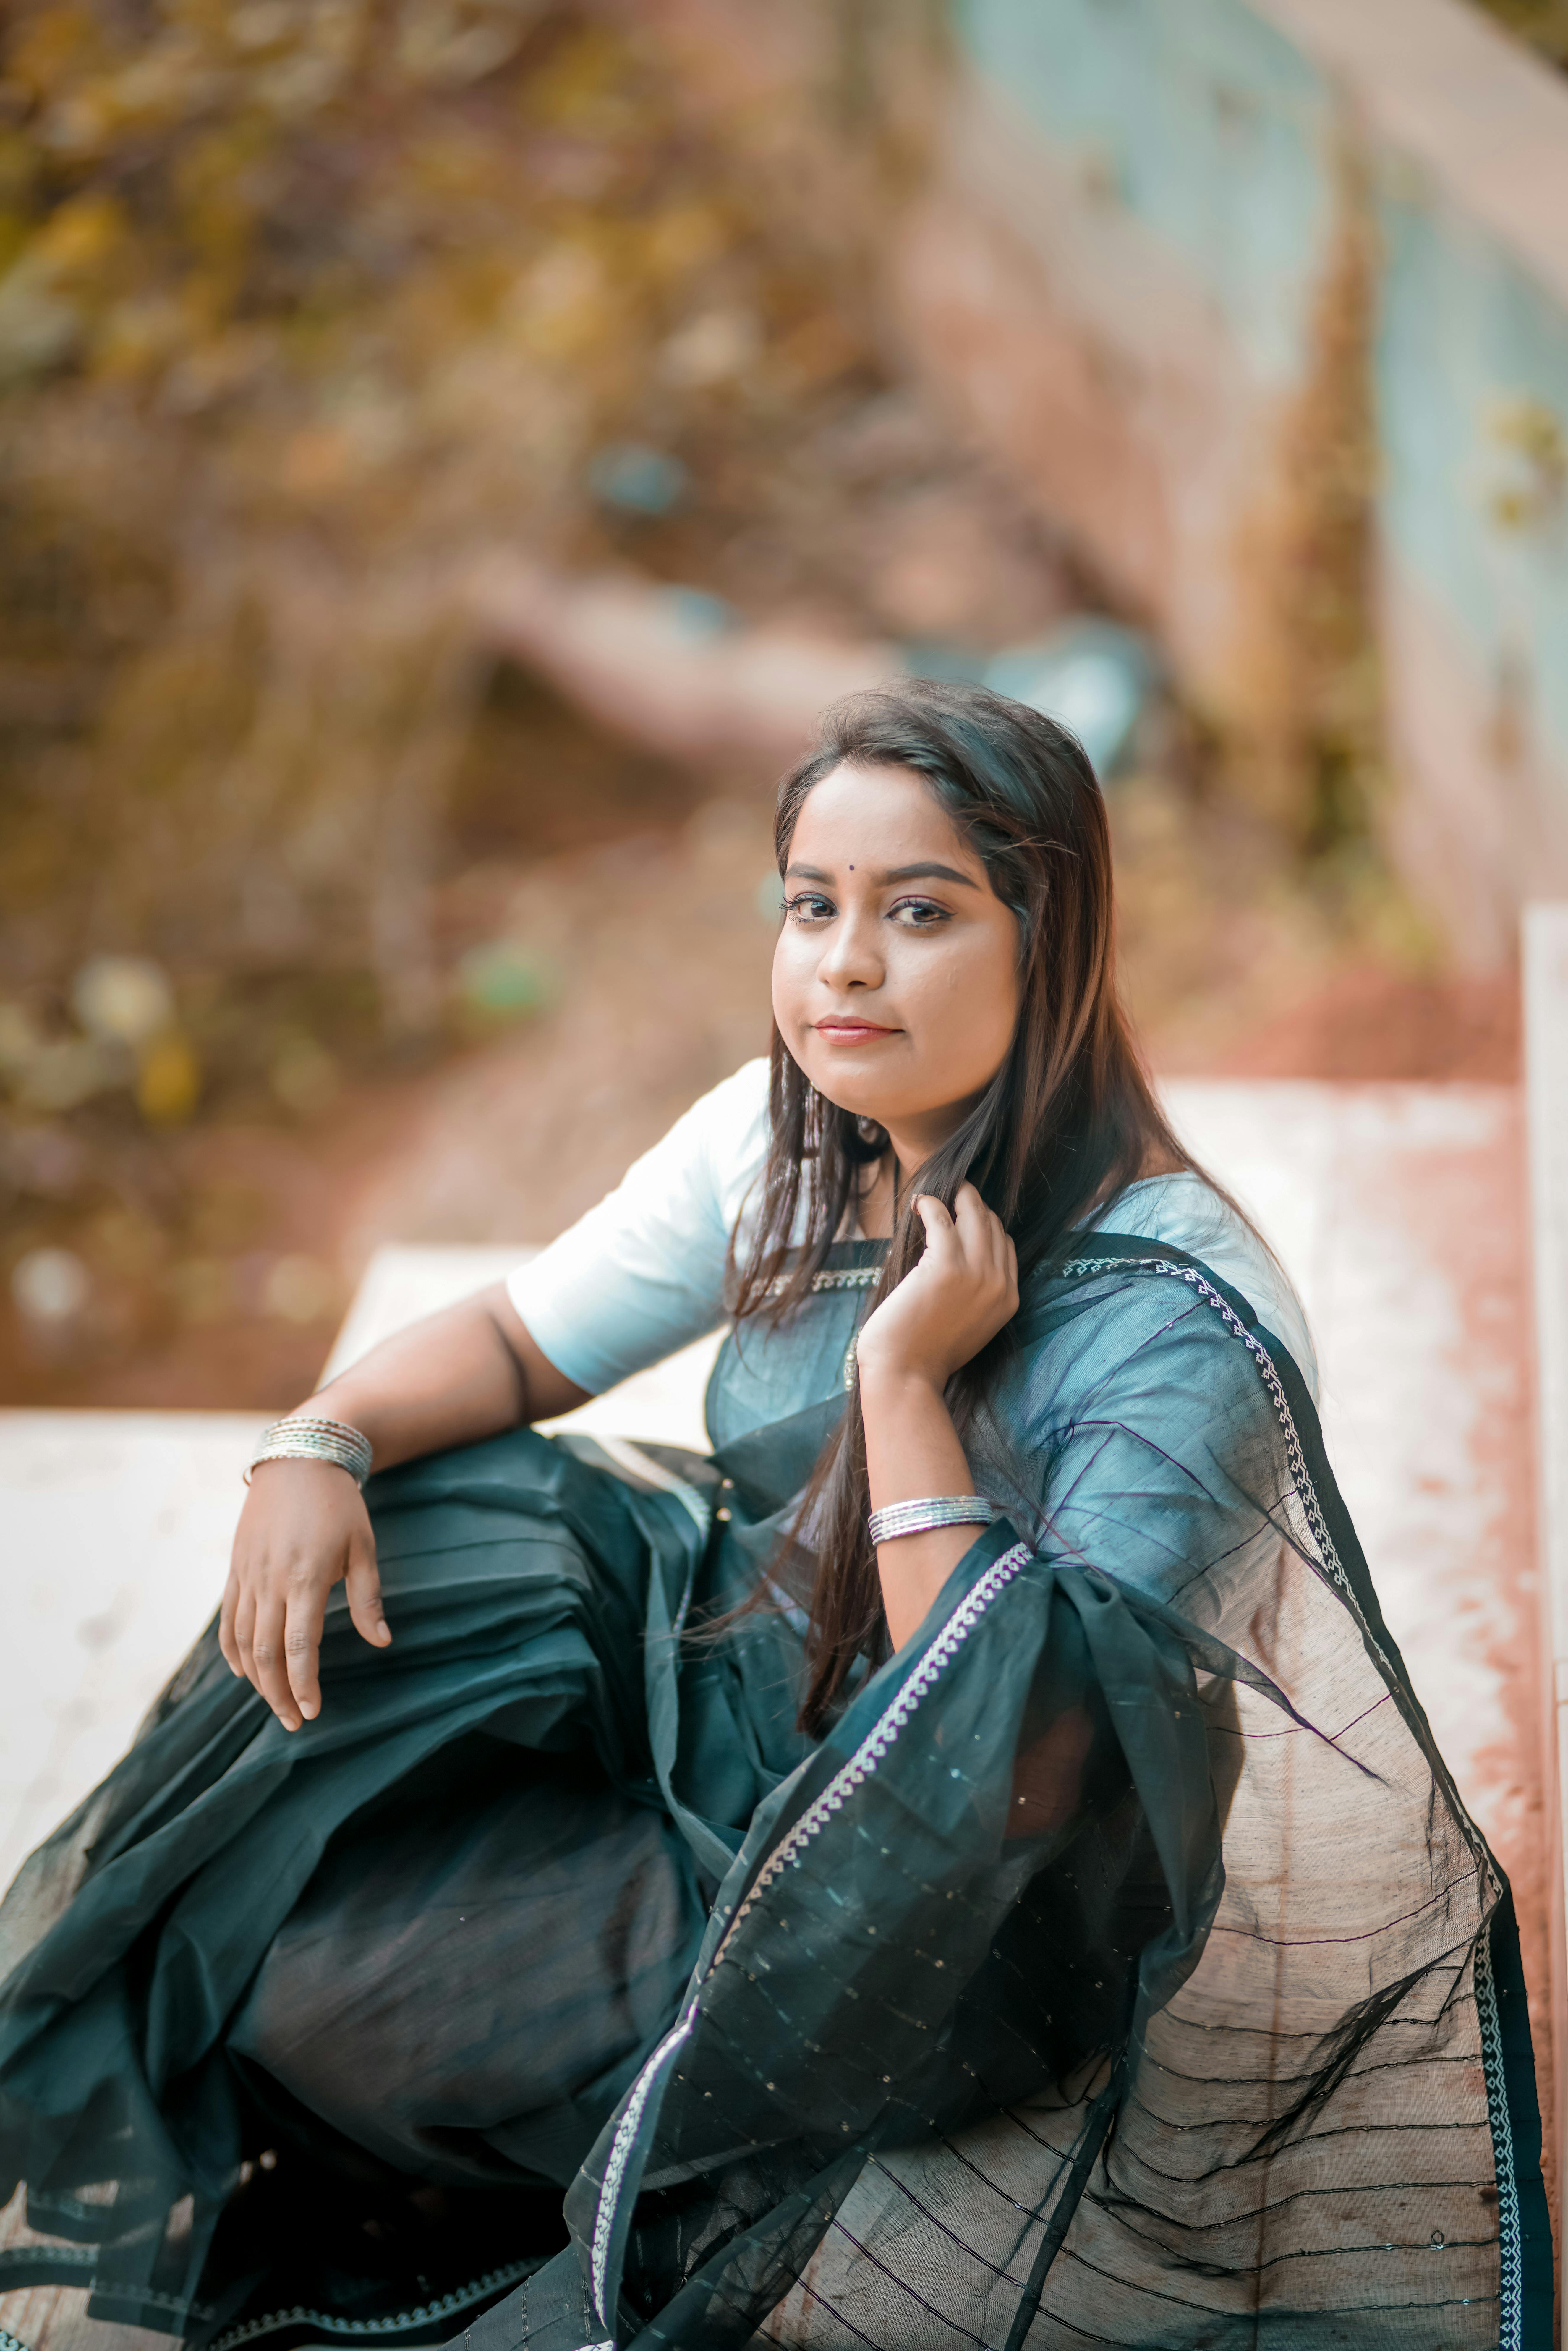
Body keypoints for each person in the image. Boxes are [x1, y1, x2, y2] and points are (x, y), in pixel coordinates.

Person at [0, 682, 1550, 2351]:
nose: (845, 965)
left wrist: (900, 1391)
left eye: (921, 912)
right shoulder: (788, 1143)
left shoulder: (1178, 1313)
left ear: (1055, 945)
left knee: (324, 2009)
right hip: (741, 1714)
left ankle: (633, 2157)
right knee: (433, 1528)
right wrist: (316, 1442)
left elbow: (1012, 1773)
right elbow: (522, 1341)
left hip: (946, 1900)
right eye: (812, 905)